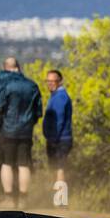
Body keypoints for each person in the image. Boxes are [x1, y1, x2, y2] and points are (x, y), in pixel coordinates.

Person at [0, 57, 43, 208]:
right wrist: (29, 124)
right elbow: (38, 111)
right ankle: (23, 199)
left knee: (6, 164)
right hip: (26, 132)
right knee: (23, 164)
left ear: (5, 67)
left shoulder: (5, 84)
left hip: (8, 131)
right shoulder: (32, 85)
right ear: (19, 67)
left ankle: (9, 199)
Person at [42, 69, 73, 204]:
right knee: (57, 168)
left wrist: (53, 138)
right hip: (58, 138)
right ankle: (57, 200)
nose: (50, 84)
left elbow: (58, 120)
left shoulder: (60, 97)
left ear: (59, 82)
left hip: (60, 139)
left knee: (59, 168)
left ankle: (60, 201)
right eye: (48, 81)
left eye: (52, 81)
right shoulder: (55, 96)